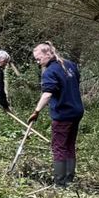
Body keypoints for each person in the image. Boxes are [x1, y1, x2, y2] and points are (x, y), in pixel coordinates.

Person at [27, 43, 83, 187]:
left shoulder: (50, 71)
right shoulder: (70, 65)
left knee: (59, 147)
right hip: (76, 111)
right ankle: (69, 179)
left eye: (39, 59)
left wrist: (36, 111)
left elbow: (47, 94)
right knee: (69, 145)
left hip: (63, 114)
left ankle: (60, 183)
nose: (38, 62)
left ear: (48, 54)